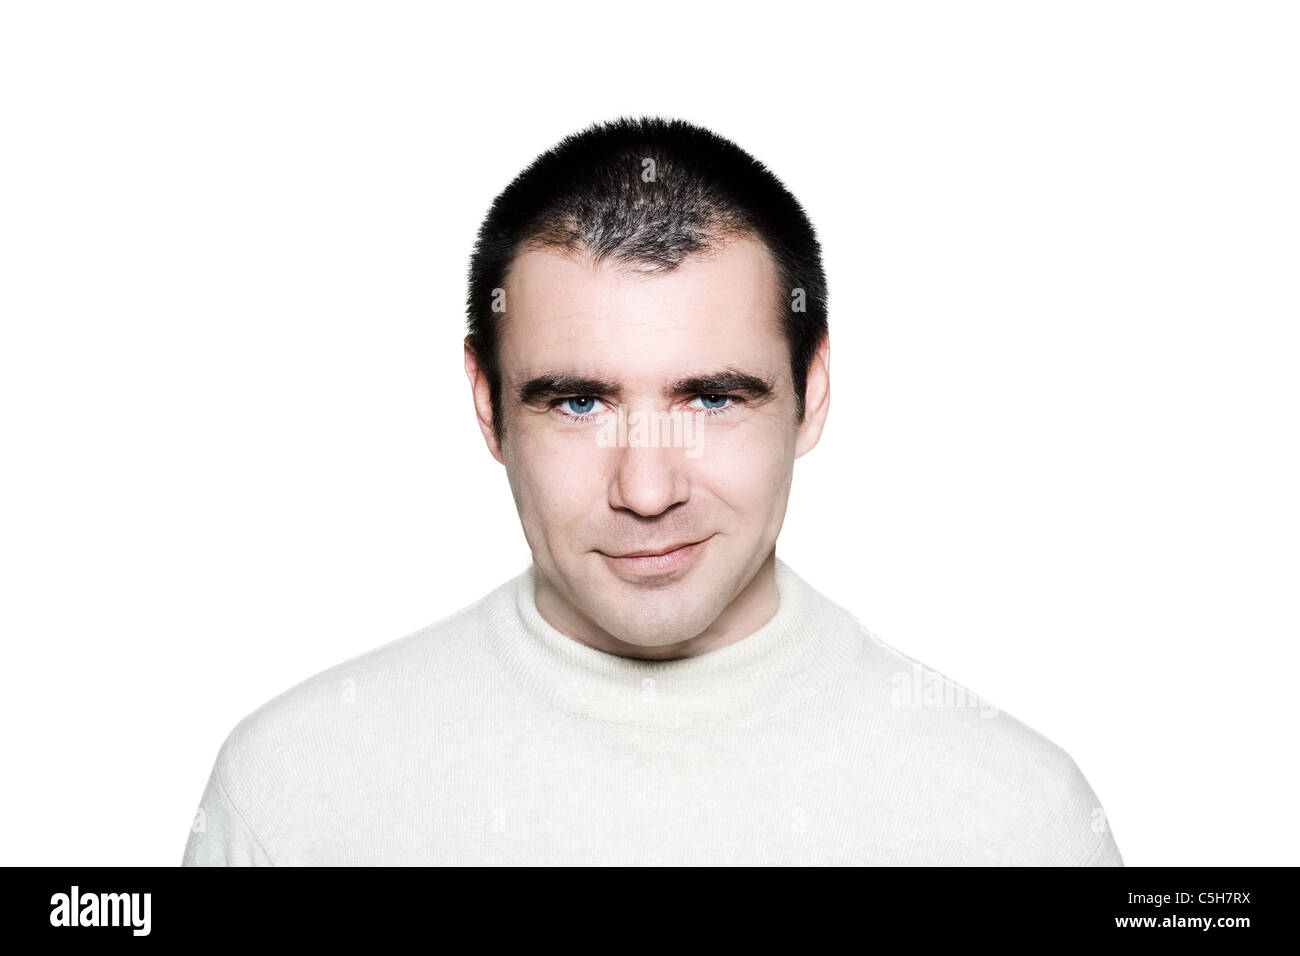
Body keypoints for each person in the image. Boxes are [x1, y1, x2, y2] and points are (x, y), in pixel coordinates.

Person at [182, 116, 1123, 865]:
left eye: (712, 398)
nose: (646, 487)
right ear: (486, 406)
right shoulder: (293, 792)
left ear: (813, 395)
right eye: (580, 402)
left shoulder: (1017, 819)